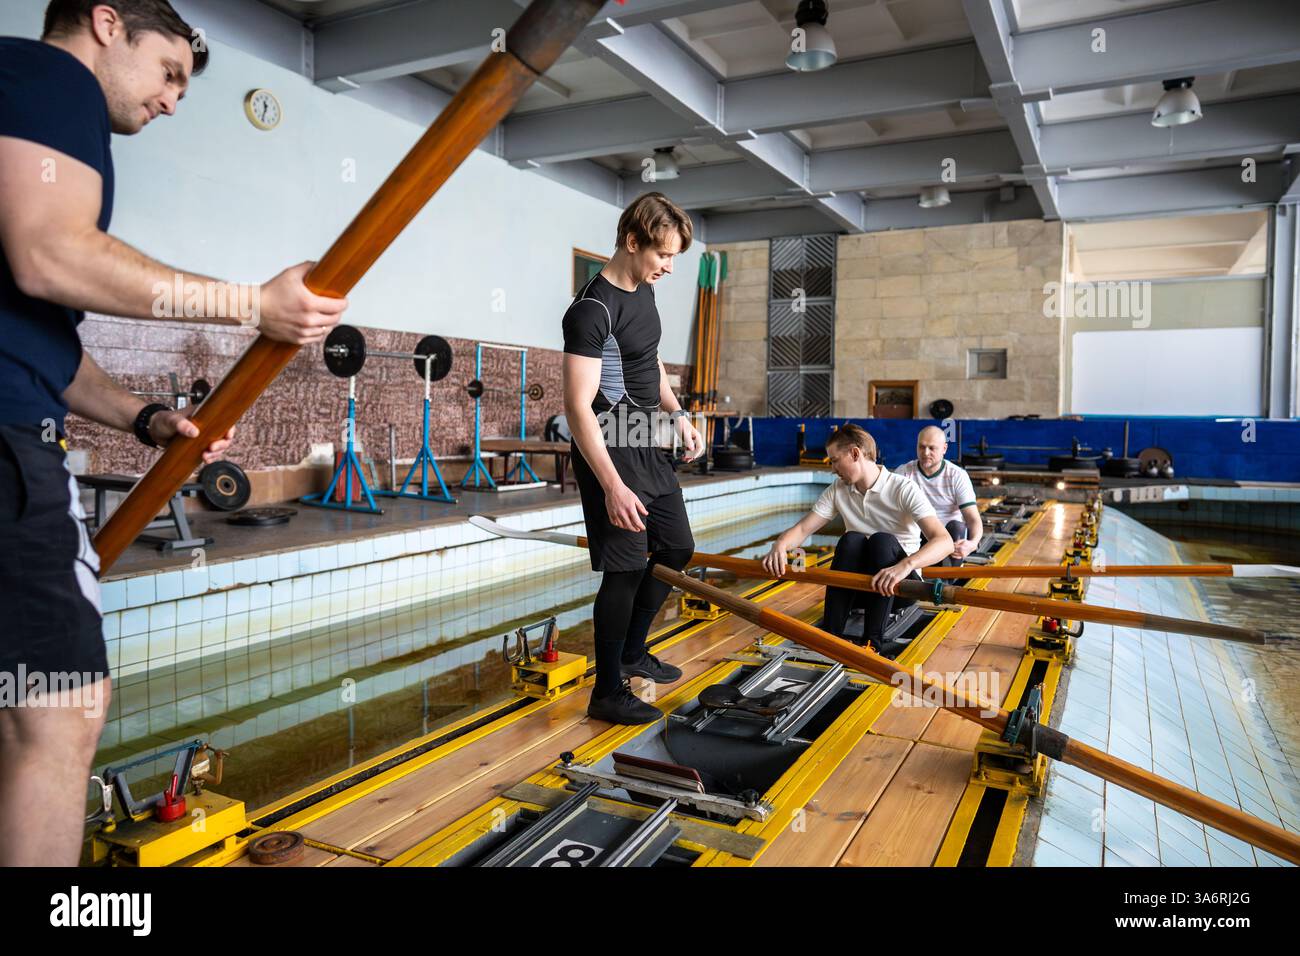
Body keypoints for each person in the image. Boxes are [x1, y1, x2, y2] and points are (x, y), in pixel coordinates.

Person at [0, 0, 348, 866]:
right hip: (8, 446)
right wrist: (253, 304)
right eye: (169, 73)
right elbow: (49, 254)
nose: (171, 101)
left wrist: (145, 417)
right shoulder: (50, 77)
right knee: (58, 711)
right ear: (106, 22)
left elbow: (41, 341)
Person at [563, 192, 704, 725]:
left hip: (645, 438)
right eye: (663, 254)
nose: (669, 266)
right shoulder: (590, 311)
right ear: (631, 241)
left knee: (677, 546)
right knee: (624, 571)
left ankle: (632, 651)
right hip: (608, 447)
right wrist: (612, 486)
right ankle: (607, 692)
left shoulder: (645, 291)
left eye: (673, 257)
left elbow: (651, 362)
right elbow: (577, 408)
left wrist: (679, 415)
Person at [762, 424, 952, 654]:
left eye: (835, 461)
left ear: (854, 453)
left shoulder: (903, 488)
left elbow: (944, 541)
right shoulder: (838, 489)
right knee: (851, 539)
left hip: (899, 588)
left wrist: (906, 565)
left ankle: (872, 643)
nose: (833, 469)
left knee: (881, 541)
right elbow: (803, 529)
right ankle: (831, 634)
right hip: (859, 589)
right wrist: (780, 545)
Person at [895, 425, 983, 564]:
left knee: (957, 526)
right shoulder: (904, 473)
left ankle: (946, 575)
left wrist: (972, 543)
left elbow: (972, 518)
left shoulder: (957, 475)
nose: (925, 453)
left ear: (944, 449)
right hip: (916, 535)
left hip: (948, 539)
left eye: (932, 448)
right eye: (922, 447)